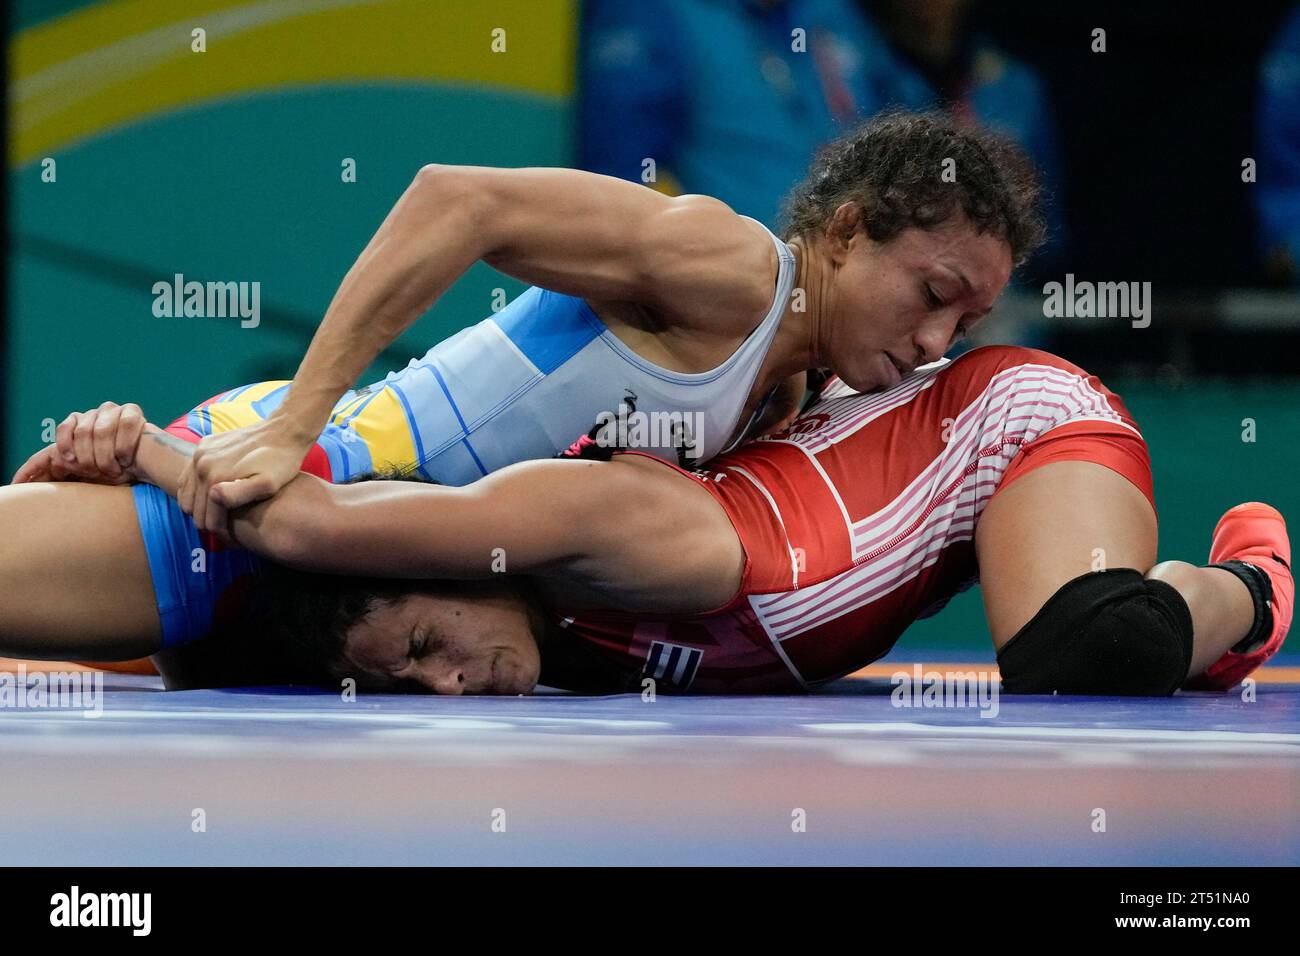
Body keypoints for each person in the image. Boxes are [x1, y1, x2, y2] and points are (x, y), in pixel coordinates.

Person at [9, 345, 1290, 696]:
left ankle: (1246, 577)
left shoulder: (585, 519)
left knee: (1082, 656)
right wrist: (72, 484)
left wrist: (157, 461)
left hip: (1007, 427)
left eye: (421, 651)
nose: (453, 688)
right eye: (407, 679)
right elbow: (206, 634)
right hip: (832, 456)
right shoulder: (528, 620)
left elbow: (306, 528)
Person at [162, 112, 1042, 536]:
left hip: (333, 548)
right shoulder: (725, 265)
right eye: (934, 295)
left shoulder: (781, 390)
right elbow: (455, 200)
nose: (935, 345)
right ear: (848, 230)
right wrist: (292, 431)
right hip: (293, 469)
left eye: (963, 326)